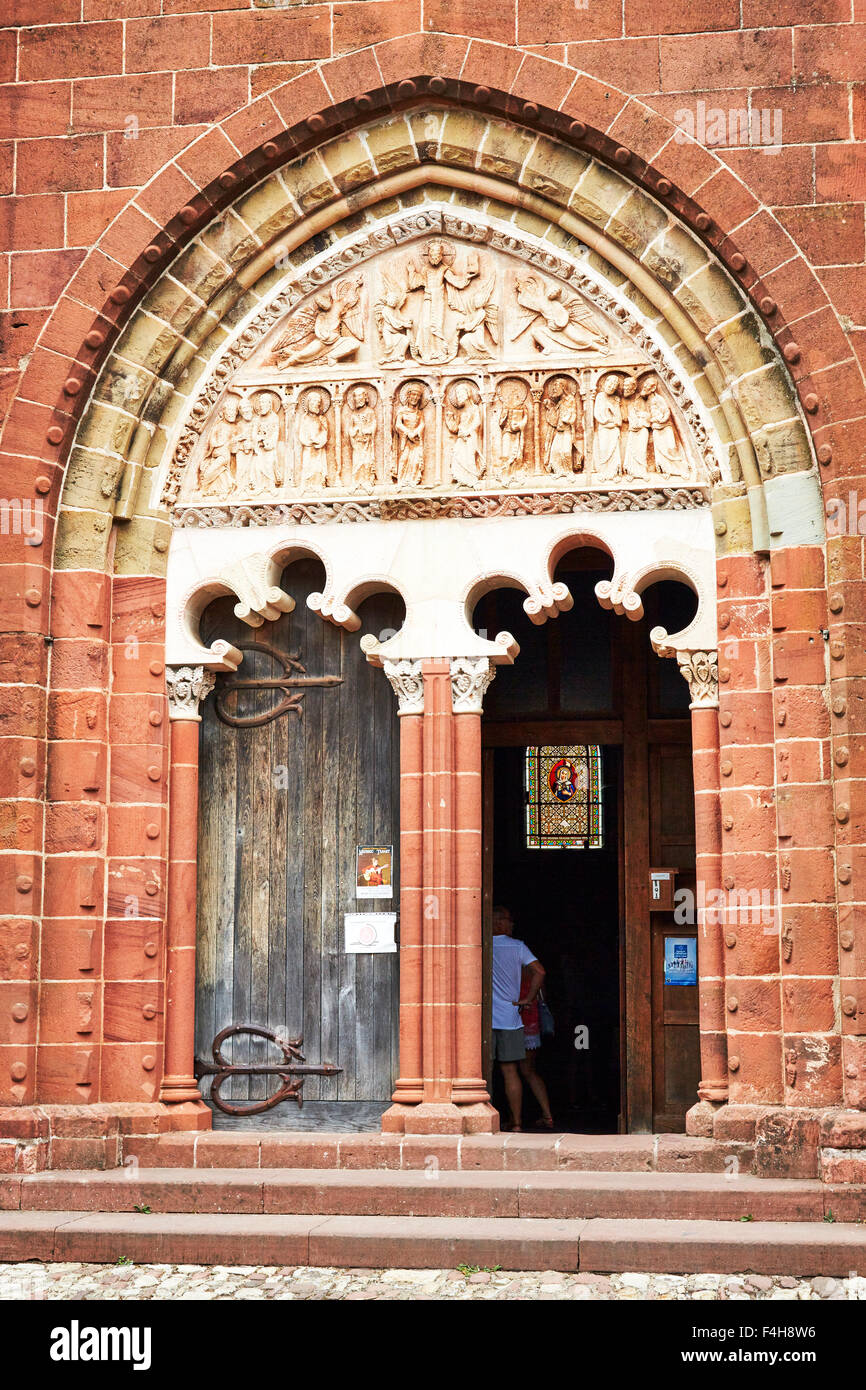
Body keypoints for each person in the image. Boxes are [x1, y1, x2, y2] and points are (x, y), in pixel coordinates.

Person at [491, 905, 553, 1132]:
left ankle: (480, 1119)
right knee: (510, 1071)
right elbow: (540, 971)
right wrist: (528, 998)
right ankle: (516, 1123)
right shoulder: (517, 947)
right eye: (508, 920)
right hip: (509, 1017)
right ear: (497, 923)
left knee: (478, 1074)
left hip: (483, 1020)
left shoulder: (479, 945)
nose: (512, 924)